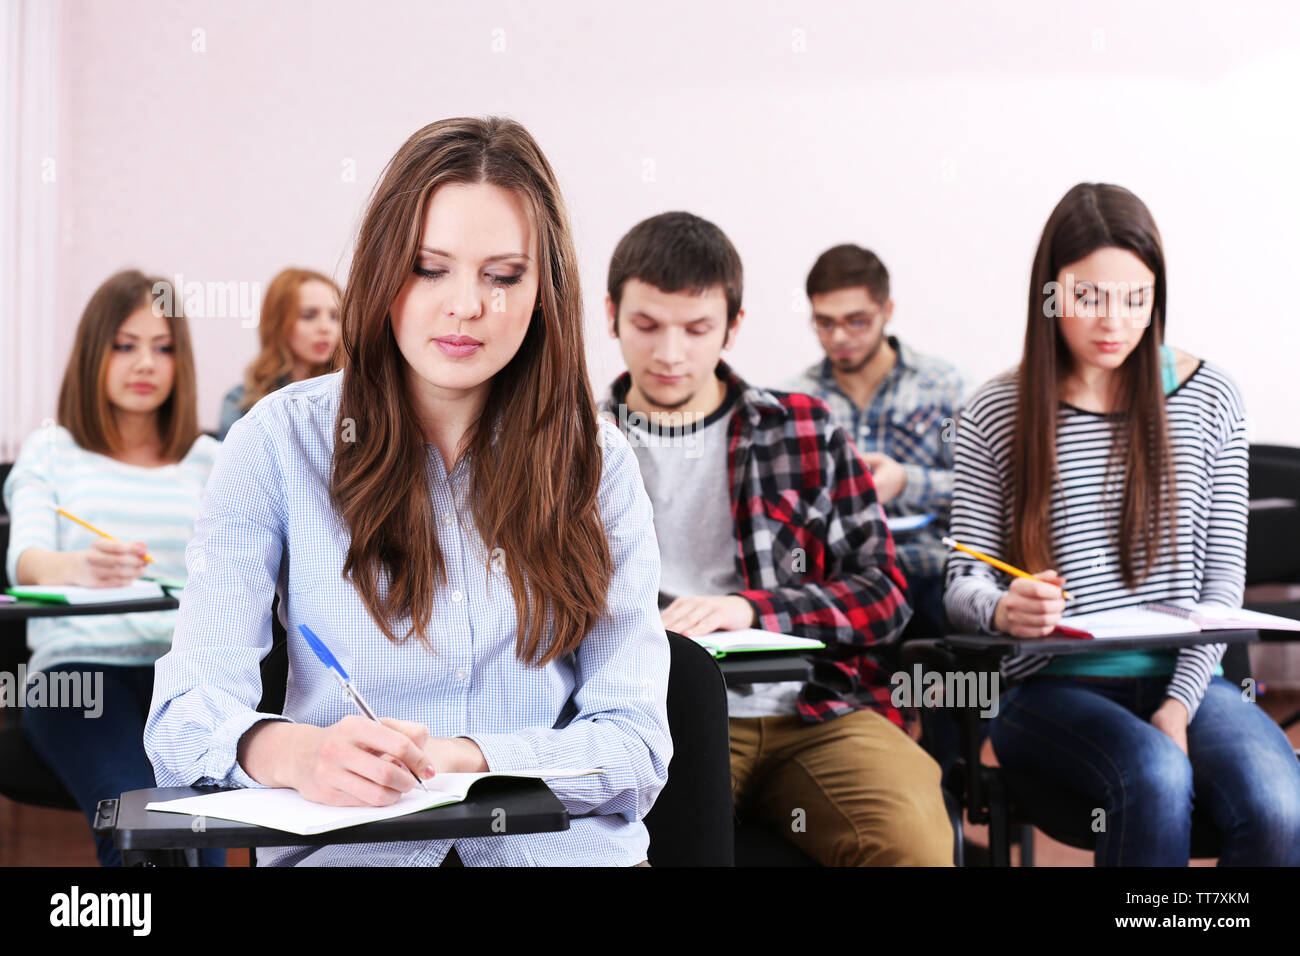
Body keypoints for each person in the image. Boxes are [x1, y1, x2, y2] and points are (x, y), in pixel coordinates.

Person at [145, 117, 672, 867]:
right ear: (383, 271)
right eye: (430, 268)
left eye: (503, 275)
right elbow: (183, 718)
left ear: (544, 290)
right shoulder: (277, 443)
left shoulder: (597, 463)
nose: (465, 306)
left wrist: (467, 759)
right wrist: (294, 754)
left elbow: (635, 746)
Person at [944, 182, 1300, 865]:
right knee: (1156, 777)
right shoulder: (994, 411)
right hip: (1050, 690)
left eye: (1137, 299)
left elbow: (1221, 589)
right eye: (1088, 298)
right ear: (1049, 294)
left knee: (1278, 808)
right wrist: (1002, 607)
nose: (1114, 322)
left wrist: (1178, 704)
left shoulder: (1210, 397)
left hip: (1190, 679)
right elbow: (962, 582)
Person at [599, 211, 953, 866]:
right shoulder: (577, 448)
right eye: (646, 326)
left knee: (915, 841)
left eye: (697, 329)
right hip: (661, 719)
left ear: (733, 326)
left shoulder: (803, 429)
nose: (670, 354)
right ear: (612, 315)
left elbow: (884, 595)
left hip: (812, 710)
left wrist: (753, 610)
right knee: (654, 845)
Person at [3, 269, 223, 867]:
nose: (145, 363)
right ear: (93, 353)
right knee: (142, 827)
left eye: (163, 347)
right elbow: (25, 562)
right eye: (125, 345)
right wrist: (77, 566)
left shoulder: (210, 461)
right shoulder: (52, 452)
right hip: (79, 676)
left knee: (207, 830)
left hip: (183, 680)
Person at [785, 245, 964, 639]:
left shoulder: (942, 385)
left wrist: (905, 482)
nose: (840, 337)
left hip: (927, 572)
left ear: (887, 311)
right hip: (838, 580)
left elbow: (987, 493)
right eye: (824, 323)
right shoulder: (797, 401)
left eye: (857, 321)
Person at [215, 268, 341, 440]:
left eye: (335, 316)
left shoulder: (352, 393)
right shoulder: (241, 401)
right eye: (309, 315)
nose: (326, 327)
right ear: (278, 323)